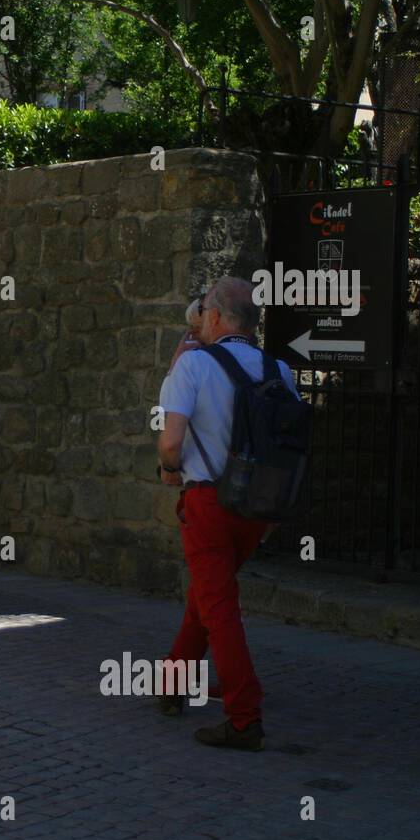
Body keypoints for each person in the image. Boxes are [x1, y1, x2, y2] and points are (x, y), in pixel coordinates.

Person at [155, 277, 301, 751]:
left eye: (203, 314)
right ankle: (174, 684)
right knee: (208, 594)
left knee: (218, 606)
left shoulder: (193, 365)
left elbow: (171, 442)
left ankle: (244, 714)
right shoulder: (278, 368)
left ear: (214, 317)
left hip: (207, 502)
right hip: (257, 506)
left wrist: (167, 468)